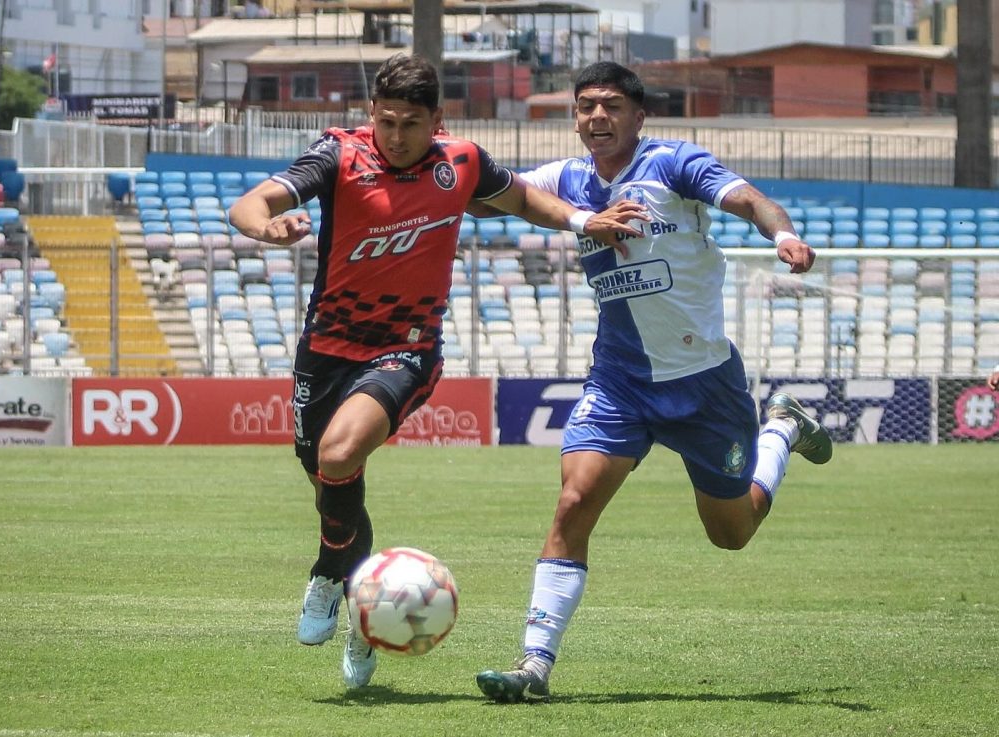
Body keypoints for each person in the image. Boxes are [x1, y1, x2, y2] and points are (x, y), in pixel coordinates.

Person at [228, 53, 645, 690]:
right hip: (326, 348)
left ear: (437, 122)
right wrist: (269, 227)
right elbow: (252, 202)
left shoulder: (462, 164)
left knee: (339, 456)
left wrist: (585, 220)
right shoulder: (339, 155)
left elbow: (526, 200)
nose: (396, 136)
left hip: (407, 347)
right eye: (387, 121)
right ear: (371, 114)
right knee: (327, 482)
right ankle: (364, 614)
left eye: (411, 124)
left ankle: (325, 575)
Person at [473, 61, 834, 703]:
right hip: (621, 383)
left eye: (612, 105)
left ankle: (782, 431)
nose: (597, 117)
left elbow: (751, 200)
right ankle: (534, 665)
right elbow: (495, 195)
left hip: (704, 386)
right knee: (573, 504)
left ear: (640, 117)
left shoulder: (674, 164)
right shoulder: (567, 180)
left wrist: (784, 233)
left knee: (731, 534)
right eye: (586, 106)